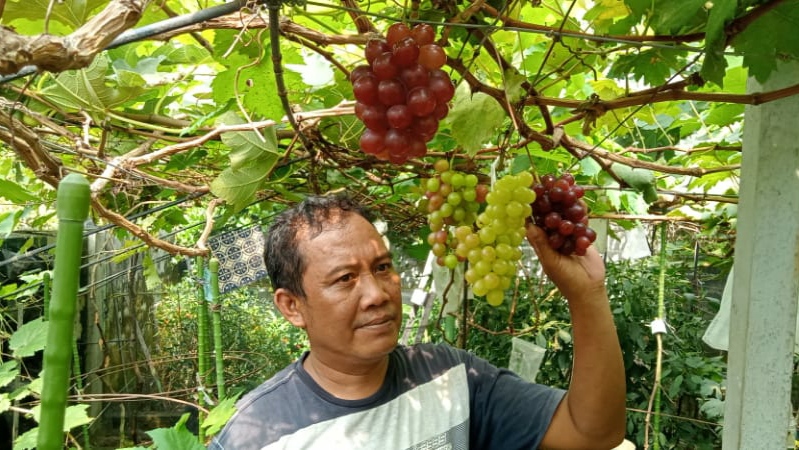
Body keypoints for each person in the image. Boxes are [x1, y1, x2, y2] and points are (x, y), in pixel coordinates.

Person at [208, 194, 625, 450]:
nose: (377, 294)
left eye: (383, 266)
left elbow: (591, 434)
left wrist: (586, 296)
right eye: (345, 278)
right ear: (291, 306)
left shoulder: (453, 376)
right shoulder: (256, 437)